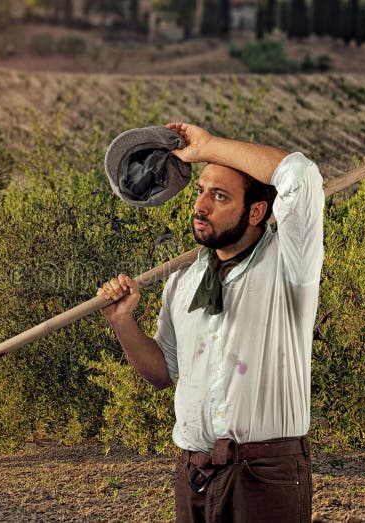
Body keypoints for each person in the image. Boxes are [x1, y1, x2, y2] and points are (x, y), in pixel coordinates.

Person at [97, 122, 324, 523]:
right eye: (201, 190)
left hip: (266, 475)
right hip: (194, 475)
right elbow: (163, 372)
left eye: (219, 196)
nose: (200, 206)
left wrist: (208, 147)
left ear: (257, 211)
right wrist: (122, 322)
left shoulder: (290, 266)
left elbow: (299, 174)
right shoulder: (182, 282)